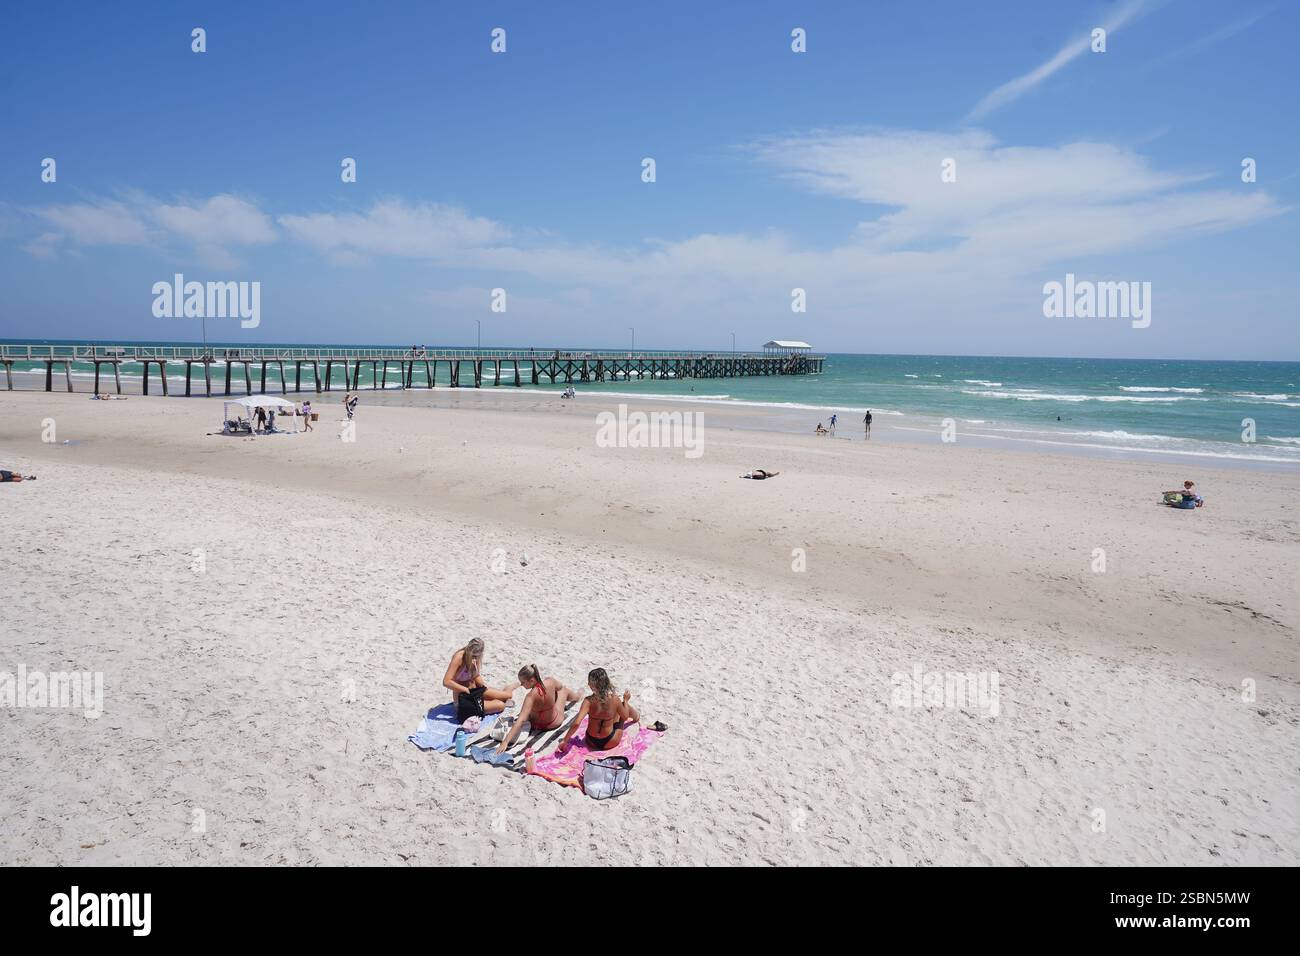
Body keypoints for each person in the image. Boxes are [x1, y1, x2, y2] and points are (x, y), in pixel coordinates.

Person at [495, 664, 580, 754]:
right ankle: (578, 696)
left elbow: (520, 720)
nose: (521, 685)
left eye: (523, 682)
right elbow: (560, 687)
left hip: (535, 724)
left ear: (531, 680)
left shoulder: (530, 696)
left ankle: (578, 696)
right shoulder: (550, 681)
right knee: (564, 690)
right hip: (553, 722)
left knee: (531, 708)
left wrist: (505, 742)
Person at [558, 668, 638, 753]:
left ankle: (634, 715)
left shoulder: (588, 701)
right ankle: (636, 717)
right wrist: (625, 700)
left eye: (589, 682)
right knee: (622, 707)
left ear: (592, 685)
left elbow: (576, 723)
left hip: (591, 741)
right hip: (610, 741)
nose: (588, 683)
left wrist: (565, 740)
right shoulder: (614, 699)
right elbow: (625, 717)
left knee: (616, 711)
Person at [442, 639, 518, 721]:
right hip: (464, 699)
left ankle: (509, 688)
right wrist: (465, 689)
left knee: (507, 696)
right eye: (473, 656)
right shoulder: (459, 657)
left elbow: (475, 675)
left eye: (476, 656)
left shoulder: (477, 657)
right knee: (500, 705)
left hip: (476, 691)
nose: (474, 658)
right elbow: (446, 682)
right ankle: (493, 701)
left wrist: (482, 684)